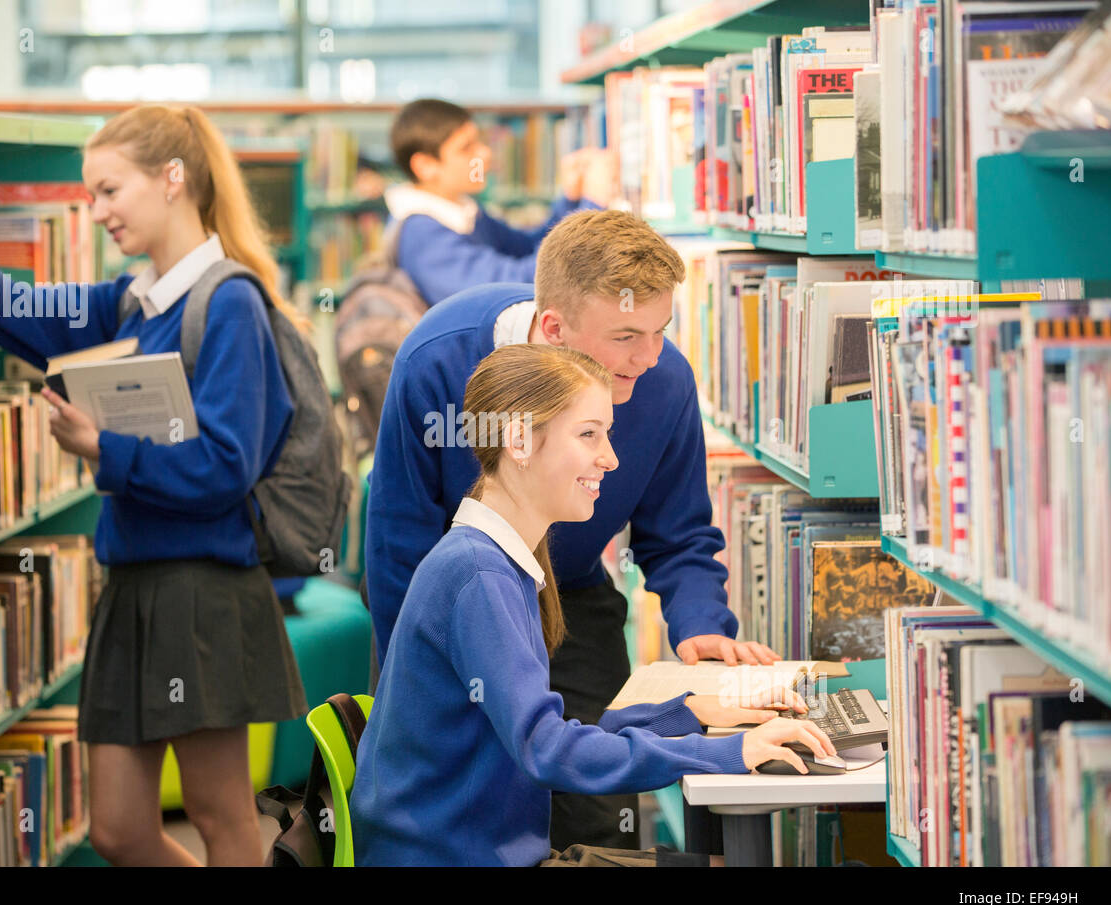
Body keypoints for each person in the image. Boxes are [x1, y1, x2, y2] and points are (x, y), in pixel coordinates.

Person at [0, 104, 307, 866]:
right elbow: (41, 317)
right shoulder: (137, 298)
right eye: (91, 196)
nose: (99, 211)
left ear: (172, 179)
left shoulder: (229, 302)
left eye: (110, 190)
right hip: (134, 588)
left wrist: (103, 449)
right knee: (115, 828)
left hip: (201, 593)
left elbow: (224, 467)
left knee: (221, 818)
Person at [364, 209, 782, 852]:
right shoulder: (436, 358)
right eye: (625, 336)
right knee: (476, 776)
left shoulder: (661, 379)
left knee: (597, 815)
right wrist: (417, 688)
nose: (650, 357)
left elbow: (679, 531)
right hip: (461, 596)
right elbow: (397, 544)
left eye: (660, 331)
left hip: (571, 593)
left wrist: (698, 643)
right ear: (554, 328)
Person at [352, 345, 835, 866]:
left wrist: (687, 713)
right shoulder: (479, 576)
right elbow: (547, 749)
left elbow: (548, 734)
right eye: (589, 434)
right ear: (518, 440)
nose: (611, 458)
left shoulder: (494, 559)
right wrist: (730, 751)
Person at [385, 98, 615, 306]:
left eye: (480, 142)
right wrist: (593, 204)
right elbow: (516, 285)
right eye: (466, 148)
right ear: (425, 166)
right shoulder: (423, 234)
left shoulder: (462, 212)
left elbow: (525, 247)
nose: (484, 153)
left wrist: (570, 200)